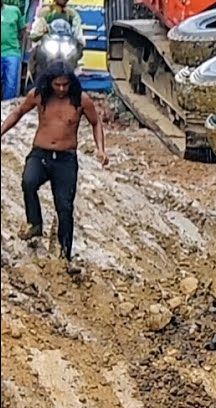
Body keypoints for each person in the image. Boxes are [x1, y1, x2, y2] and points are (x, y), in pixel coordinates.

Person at [0, 63, 108, 273]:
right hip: (40, 153)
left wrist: (101, 149)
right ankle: (35, 223)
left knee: (65, 207)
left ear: (71, 83)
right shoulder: (39, 95)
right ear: (50, 82)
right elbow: (18, 112)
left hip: (66, 159)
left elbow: (96, 123)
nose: (61, 89)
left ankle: (65, 255)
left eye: (65, 85)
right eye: (57, 85)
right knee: (28, 182)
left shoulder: (81, 100)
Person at [1, 0, 23, 100]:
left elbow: (22, 30)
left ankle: (7, 108)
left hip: (12, 52)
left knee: (11, 83)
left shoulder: (14, 11)